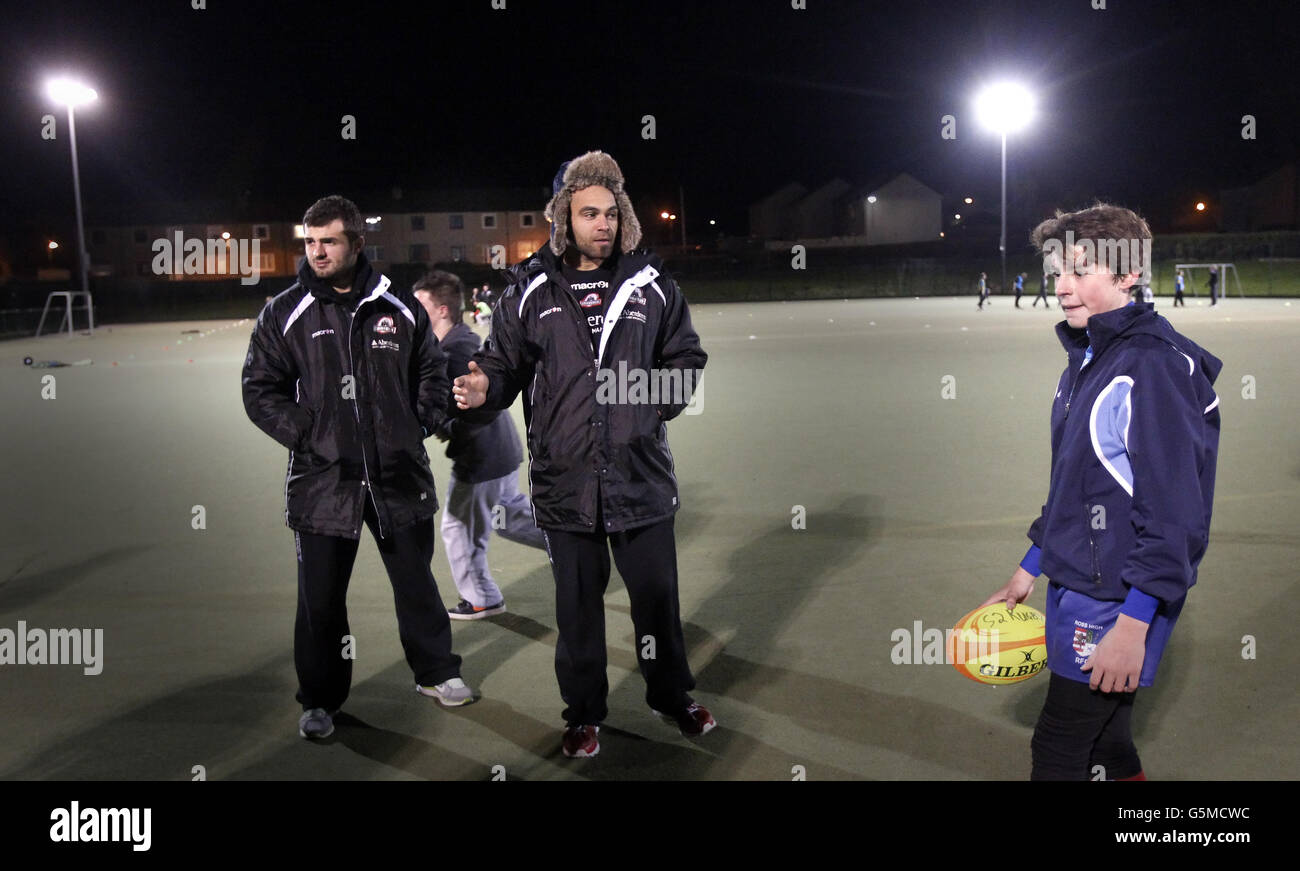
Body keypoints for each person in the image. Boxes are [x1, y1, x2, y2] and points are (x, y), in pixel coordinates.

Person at [453, 151, 713, 758]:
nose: (602, 224)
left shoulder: (653, 286)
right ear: (563, 217)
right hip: (565, 482)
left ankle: (672, 696)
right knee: (577, 612)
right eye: (588, 212)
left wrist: (643, 407)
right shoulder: (529, 288)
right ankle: (583, 714)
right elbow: (503, 365)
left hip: (640, 479)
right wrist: (485, 387)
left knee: (656, 602)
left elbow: (687, 361)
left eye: (611, 213)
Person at [982, 203, 1221, 780]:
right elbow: (1076, 480)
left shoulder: (1150, 368)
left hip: (1115, 594)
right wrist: (1032, 563)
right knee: (1109, 743)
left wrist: (1134, 622)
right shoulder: (1090, 356)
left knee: (1060, 749)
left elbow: (1176, 514)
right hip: (1080, 577)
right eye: (1056, 271)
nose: (1063, 288)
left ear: (1128, 273)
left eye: (1080, 271)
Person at [242, 195, 475, 740]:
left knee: (416, 584)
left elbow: (433, 372)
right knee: (320, 600)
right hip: (325, 483)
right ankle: (320, 699)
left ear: (356, 243)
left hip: (398, 476)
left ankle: (436, 672)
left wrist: (415, 423)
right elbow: (261, 390)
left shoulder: (397, 304)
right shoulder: (285, 312)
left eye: (329, 241)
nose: (318, 252)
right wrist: (308, 435)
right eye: (310, 242)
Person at [412, 269, 546, 619]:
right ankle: (571, 540)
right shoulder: (453, 342)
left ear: (442, 310)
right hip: (498, 449)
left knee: (458, 526)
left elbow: (480, 408)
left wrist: (446, 425)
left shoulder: (457, 349)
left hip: (483, 454)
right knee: (509, 515)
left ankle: (482, 598)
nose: (412, 310)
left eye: (420, 304)